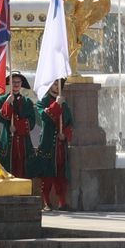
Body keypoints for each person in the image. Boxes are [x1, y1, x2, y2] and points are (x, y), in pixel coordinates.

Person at [29, 77, 72, 208]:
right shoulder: (43, 101)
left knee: (61, 173)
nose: (56, 87)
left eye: (58, 84)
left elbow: (70, 122)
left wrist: (65, 134)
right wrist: (56, 105)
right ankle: (47, 201)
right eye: (54, 84)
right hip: (48, 144)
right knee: (47, 173)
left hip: (60, 145)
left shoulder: (65, 104)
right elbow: (45, 117)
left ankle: (62, 201)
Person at [0, 72, 39, 179]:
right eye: (13, 82)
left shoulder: (27, 102)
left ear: (21, 84)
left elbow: (31, 122)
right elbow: (0, 118)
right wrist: (7, 103)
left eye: (18, 82)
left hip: (24, 142)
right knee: (8, 170)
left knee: (23, 170)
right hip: (8, 142)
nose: (16, 84)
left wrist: (17, 126)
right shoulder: (1, 100)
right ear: (9, 83)